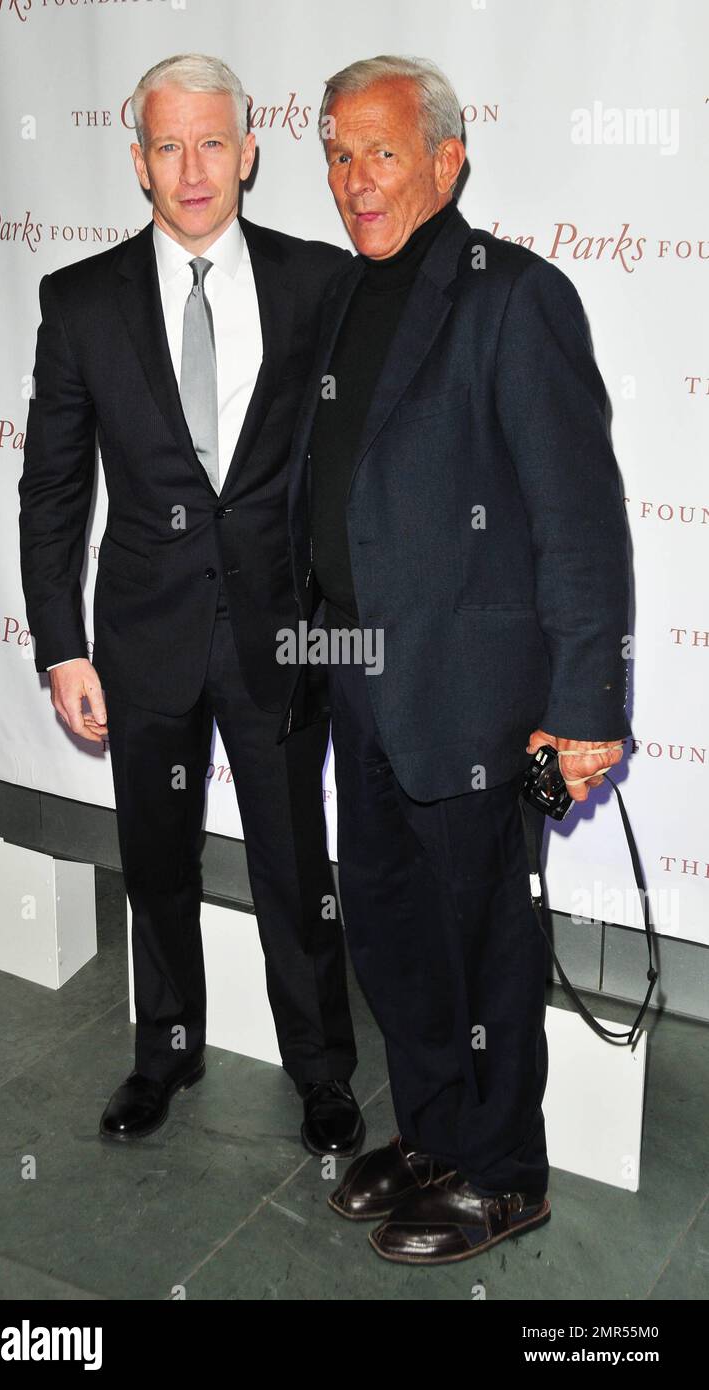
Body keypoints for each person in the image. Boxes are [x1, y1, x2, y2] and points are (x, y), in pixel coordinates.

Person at [285, 54, 630, 1263]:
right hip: (361, 679)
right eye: (335, 153)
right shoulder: (340, 296)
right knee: (388, 924)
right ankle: (433, 1133)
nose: (353, 178)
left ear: (445, 158)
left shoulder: (513, 296)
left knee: (480, 937)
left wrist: (583, 710)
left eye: (380, 151)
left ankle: (504, 1173)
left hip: (474, 698)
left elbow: (580, 520)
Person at [18, 53, 363, 1158]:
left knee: (292, 863)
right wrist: (60, 646)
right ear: (137, 162)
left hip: (277, 634)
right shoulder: (79, 303)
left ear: (249, 152)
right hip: (142, 638)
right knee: (155, 855)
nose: (192, 166)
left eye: (212, 140)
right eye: (167, 145)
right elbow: (53, 486)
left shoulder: (321, 285)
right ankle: (161, 1049)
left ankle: (319, 1069)